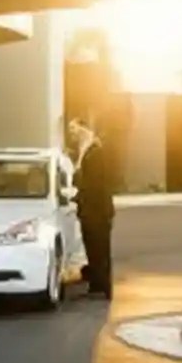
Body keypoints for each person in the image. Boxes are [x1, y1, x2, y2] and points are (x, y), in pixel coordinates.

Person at [69, 119, 115, 299]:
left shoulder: (95, 152)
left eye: (74, 129)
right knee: (91, 247)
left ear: (84, 128)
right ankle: (96, 283)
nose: (72, 133)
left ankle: (104, 285)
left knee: (99, 247)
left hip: (97, 210)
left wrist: (78, 194)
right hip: (89, 209)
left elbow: (95, 183)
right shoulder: (84, 150)